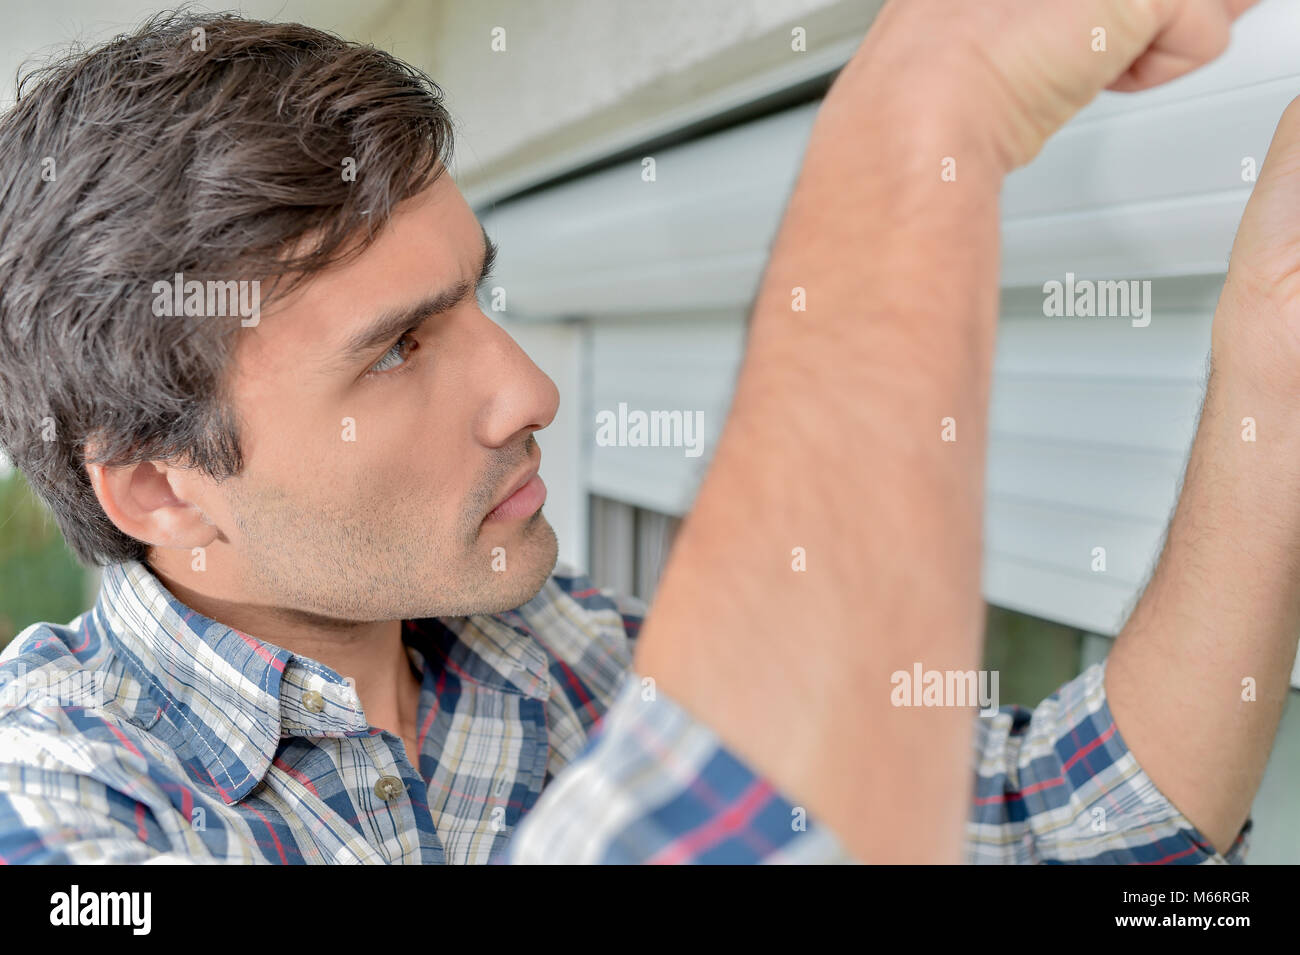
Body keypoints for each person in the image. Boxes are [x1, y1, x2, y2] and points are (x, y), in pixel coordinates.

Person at [0, 0, 1287, 864]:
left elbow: (1057, 822)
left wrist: (1268, 363)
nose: (526, 393)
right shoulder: (55, 802)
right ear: (161, 492)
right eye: (396, 348)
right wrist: (917, 120)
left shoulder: (560, 650)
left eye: (477, 300)